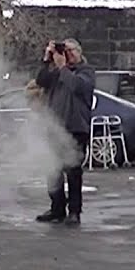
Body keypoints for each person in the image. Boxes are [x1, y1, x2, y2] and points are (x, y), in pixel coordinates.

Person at [34, 38, 96, 226]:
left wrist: (63, 68)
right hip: (54, 126)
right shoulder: (56, 71)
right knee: (52, 169)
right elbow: (40, 81)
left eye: (71, 51)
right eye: (64, 51)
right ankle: (57, 208)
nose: (67, 55)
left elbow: (77, 86)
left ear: (79, 52)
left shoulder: (86, 71)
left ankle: (74, 211)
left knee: (73, 171)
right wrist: (47, 60)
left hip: (76, 127)